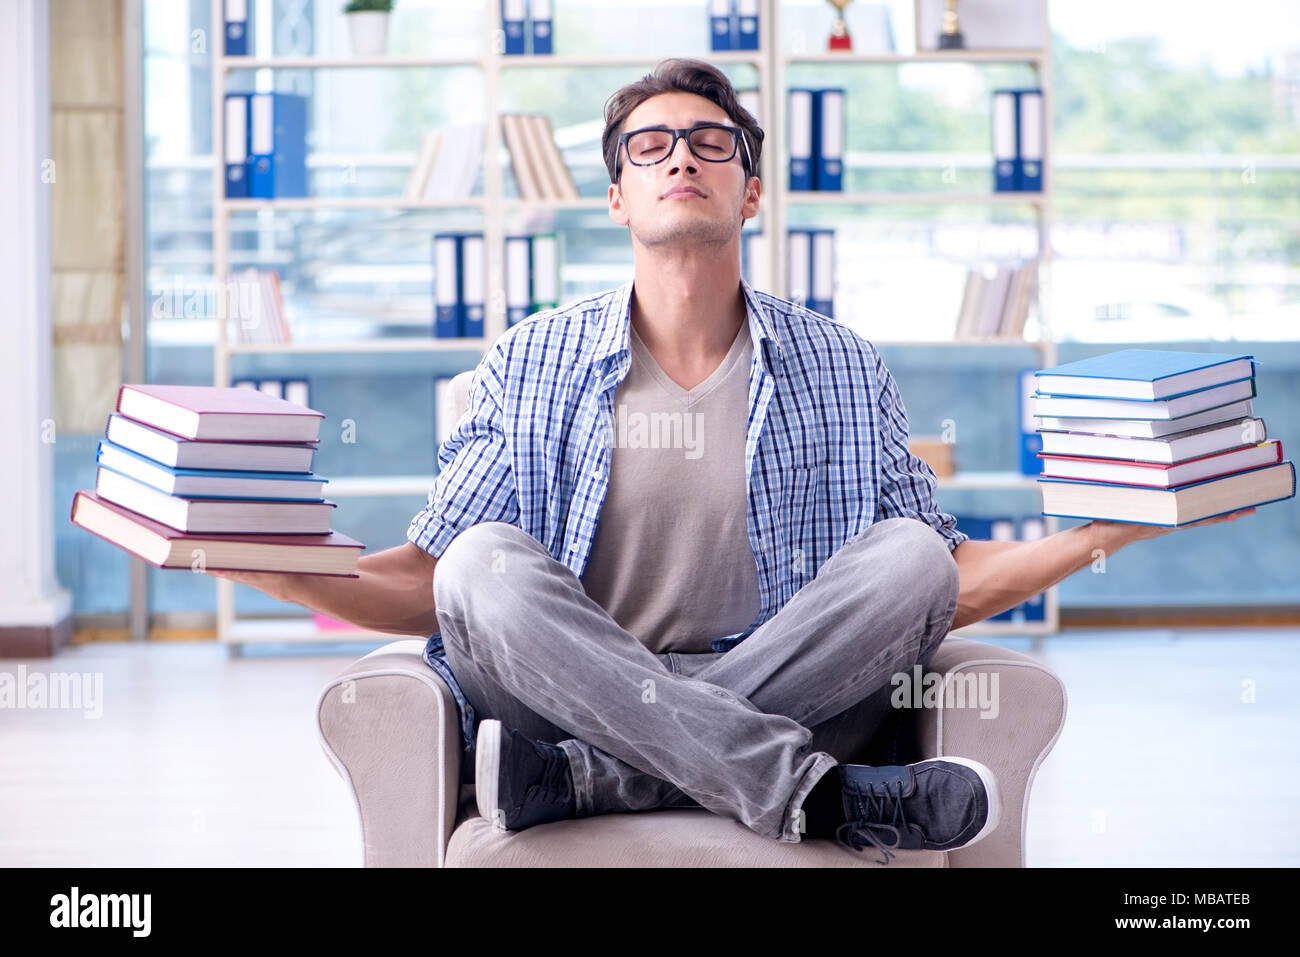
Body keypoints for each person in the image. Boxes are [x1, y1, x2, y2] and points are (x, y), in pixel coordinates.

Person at [213, 58, 1255, 864]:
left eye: (710, 143)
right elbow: (434, 584)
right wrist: (268, 567)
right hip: (560, 692)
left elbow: (936, 583)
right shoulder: (530, 361)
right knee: (480, 559)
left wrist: (1102, 533)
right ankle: (821, 799)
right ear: (617, 197)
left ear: (748, 193)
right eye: (651, 144)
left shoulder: (839, 363)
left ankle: (585, 782)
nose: (681, 157)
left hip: (782, 684)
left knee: (906, 553)